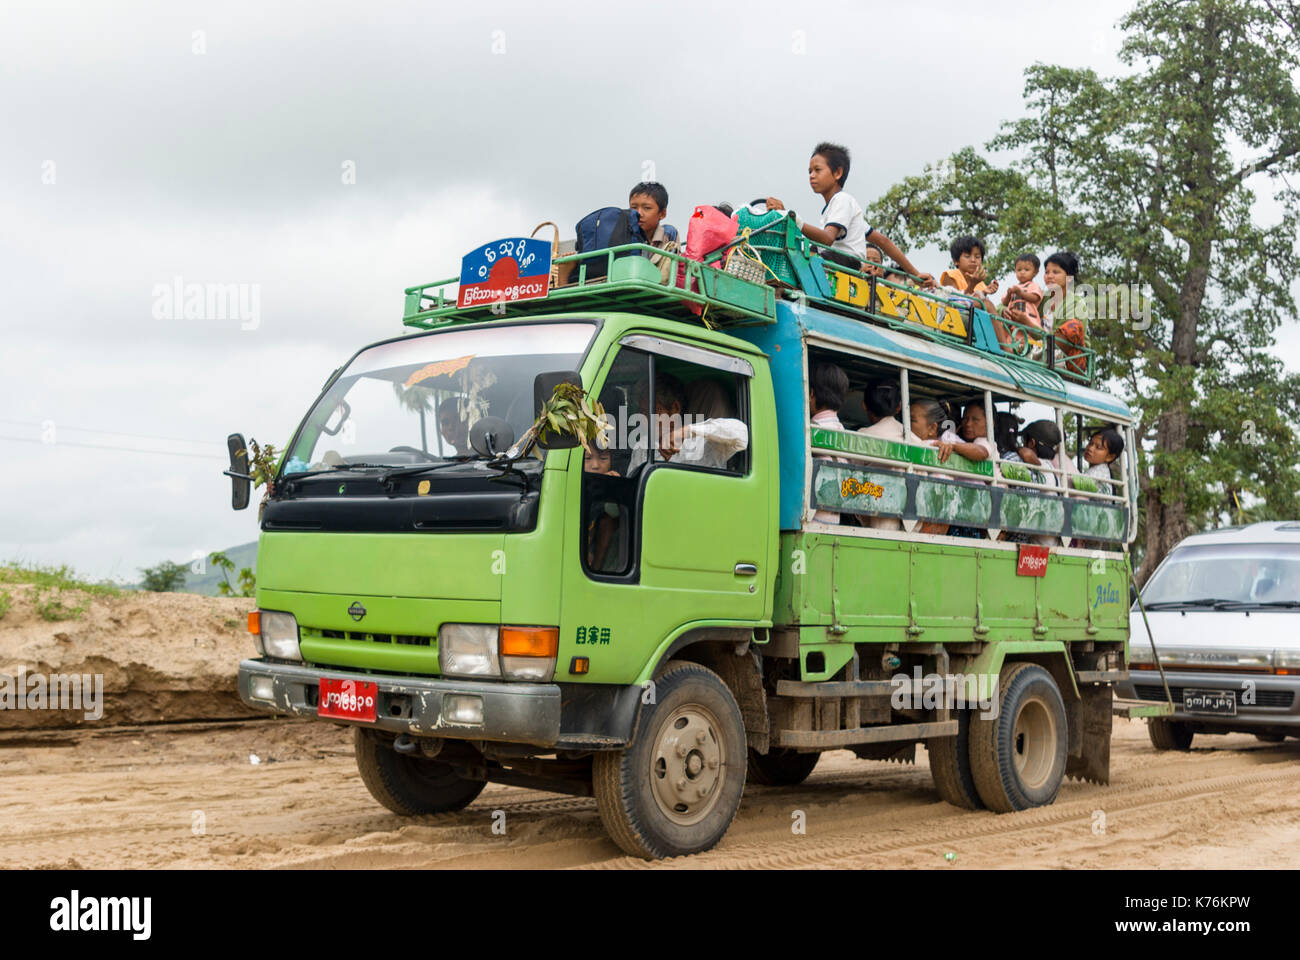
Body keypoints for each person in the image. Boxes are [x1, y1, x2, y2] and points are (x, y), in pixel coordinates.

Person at [765, 142, 935, 286]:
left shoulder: (843, 201)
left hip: (846, 263)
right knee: (806, 250)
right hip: (836, 260)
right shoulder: (836, 210)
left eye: (817, 170)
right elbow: (883, 241)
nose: (812, 176)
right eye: (809, 171)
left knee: (805, 256)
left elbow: (827, 238)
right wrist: (915, 273)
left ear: (837, 173)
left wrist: (792, 219)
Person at [629, 373, 748, 473]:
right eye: (641, 412)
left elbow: (741, 434)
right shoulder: (642, 445)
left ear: (675, 408)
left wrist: (686, 432)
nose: (644, 419)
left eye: (650, 412)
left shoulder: (702, 442)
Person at [1006, 250, 1090, 376]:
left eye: (1055, 272)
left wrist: (1028, 323)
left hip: (1067, 358)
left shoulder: (1077, 303)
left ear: (1069, 278)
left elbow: (1064, 339)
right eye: (1047, 272)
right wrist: (1006, 310)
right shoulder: (1041, 297)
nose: (1049, 276)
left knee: (1074, 326)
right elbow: (1003, 305)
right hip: (1038, 347)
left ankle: (1038, 357)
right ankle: (1013, 352)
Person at [807, 362, 850, 524]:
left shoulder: (811, 431)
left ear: (811, 393)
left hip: (812, 518)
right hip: (835, 519)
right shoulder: (845, 433)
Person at [629, 181, 680, 285]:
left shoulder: (669, 233)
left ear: (662, 214)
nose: (638, 213)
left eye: (647, 208)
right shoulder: (625, 233)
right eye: (634, 207)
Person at [999, 254, 1045, 355]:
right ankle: (1009, 349)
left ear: (1035, 272)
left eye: (1026, 270)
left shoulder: (1033, 286)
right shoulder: (1015, 287)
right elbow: (1004, 302)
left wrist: (1020, 293)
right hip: (1012, 319)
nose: (1022, 273)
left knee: (1025, 337)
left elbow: (1035, 297)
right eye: (1019, 270)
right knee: (1010, 334)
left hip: (1027, 318)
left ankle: (1022, 349)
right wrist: (1009, 294)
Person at [1082, 427, 1124, 494]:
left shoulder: (1098, 472)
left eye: (1098, 447)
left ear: (1110, 457)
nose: (1090, 448)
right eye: (1090, 443)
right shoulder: (1101, 470)